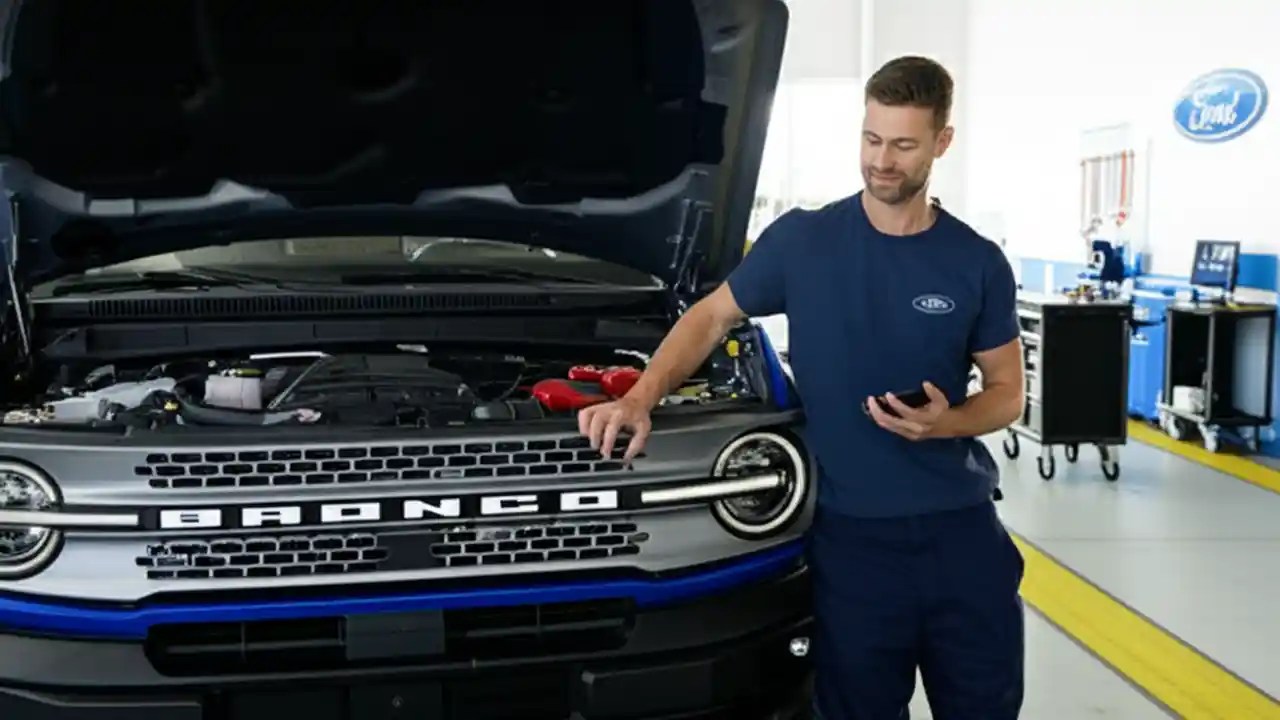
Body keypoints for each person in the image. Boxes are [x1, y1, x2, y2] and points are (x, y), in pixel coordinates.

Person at [578, 55, 1026, 719]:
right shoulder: (803, 242)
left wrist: (946, 422)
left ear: (942, 142)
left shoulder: (976, 262)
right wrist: (641, 395)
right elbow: (708, 317)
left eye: (903, 144)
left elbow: (1007, 392)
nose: (881, 160)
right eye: (872, 139)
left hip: (961, 534)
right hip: (852, 543)